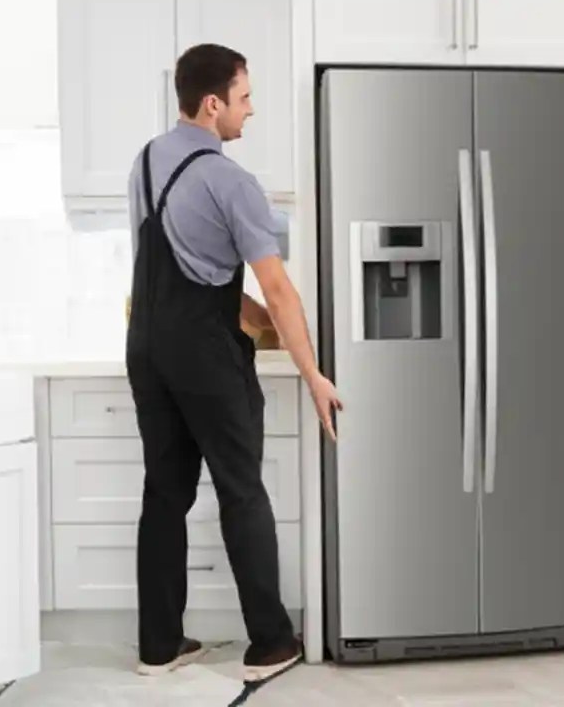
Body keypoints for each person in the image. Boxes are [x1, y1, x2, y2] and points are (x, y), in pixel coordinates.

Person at [124, 43, 342, 683]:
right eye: (244, 97)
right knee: (240, 488)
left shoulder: (143, 164)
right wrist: (314, 373)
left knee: (163, 493)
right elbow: (276, 288)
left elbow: (190, 265)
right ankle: (271, 643)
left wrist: (273, 326)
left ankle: (158, 647)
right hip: (206, 353)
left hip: (146, 344)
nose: (251, 111)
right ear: (213, 102)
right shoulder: (231, 180)